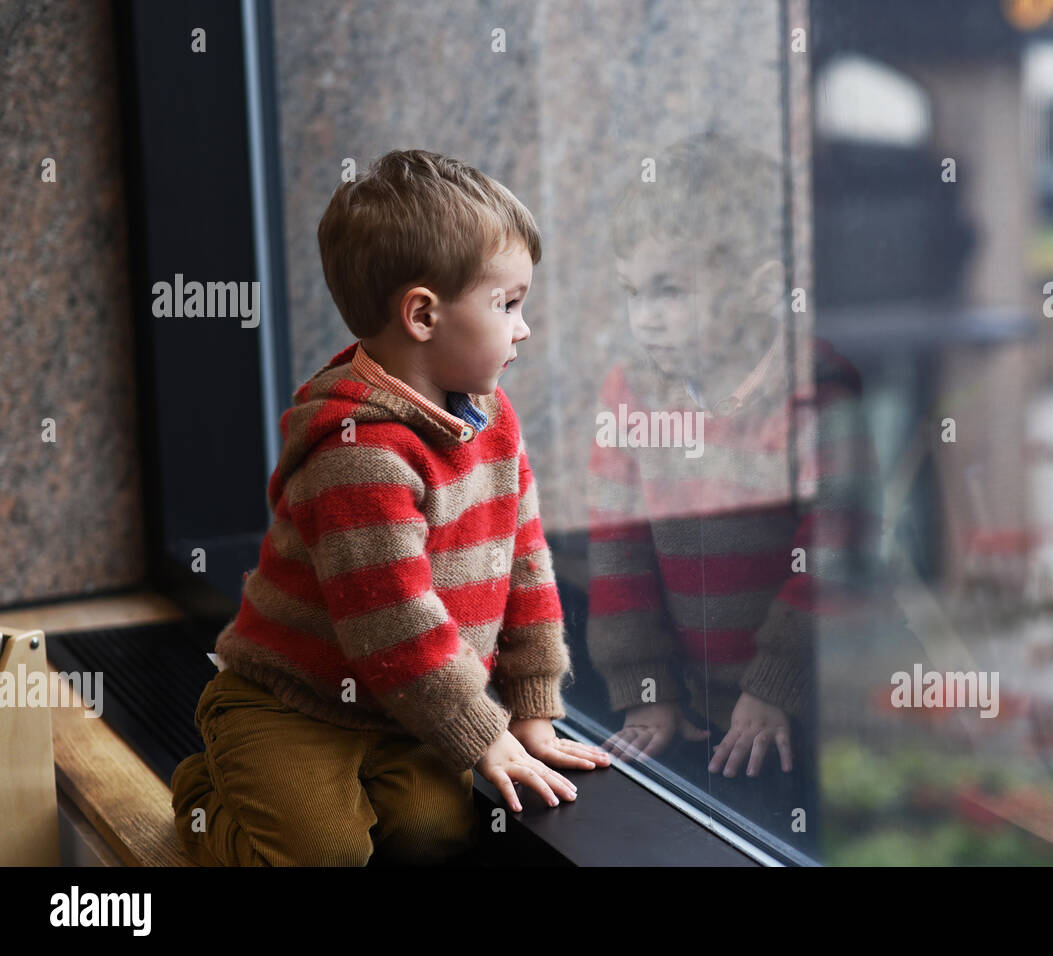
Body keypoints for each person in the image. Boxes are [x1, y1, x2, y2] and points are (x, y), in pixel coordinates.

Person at [171, 148, 610, 866]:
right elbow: (398, 627)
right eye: (509, 304)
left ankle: (333, 791)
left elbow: (523, 559)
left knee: (435, 834)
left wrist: (531, 708)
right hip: (293, 702)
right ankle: (202, 798)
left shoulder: (491, 420)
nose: (524, 327)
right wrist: (482, 730)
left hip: (397, 709)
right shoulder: (357, 455)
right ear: (423, 314)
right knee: (324, 857)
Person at [585, 133, 878, 839]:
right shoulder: (630, 395)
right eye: (633, 292)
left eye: (670, 291)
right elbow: (616, 549)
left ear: (754, 287)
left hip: (804, 714)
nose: (644, 316)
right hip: (687, 714)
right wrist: (643, 689)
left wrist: (776, 683)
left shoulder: (814, 394)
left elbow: (834, 547)